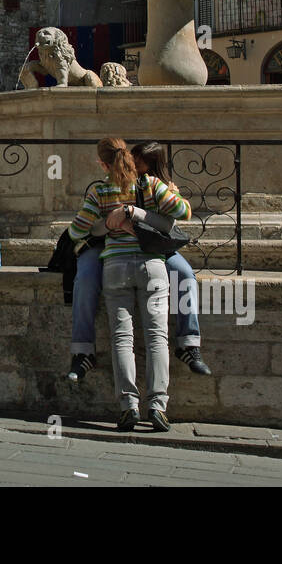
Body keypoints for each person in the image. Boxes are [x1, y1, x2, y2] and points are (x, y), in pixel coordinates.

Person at [68, 137, 191, 432]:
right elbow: (183, 212)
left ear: (102, 163)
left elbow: (75, 231)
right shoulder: (149, 184)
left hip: (115, 267)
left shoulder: (99, 191)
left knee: (122, 338)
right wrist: (172, 193)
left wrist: (107, 224)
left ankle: (129, 407)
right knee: (156, 337)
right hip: (152, 266)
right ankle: (158, 407)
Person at [131, 141, 212, 376]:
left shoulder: (159, 186)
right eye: (133, 158)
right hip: (129, 247)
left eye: (139, 160)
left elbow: (184, 212)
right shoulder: (126, 183)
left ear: (152, 163)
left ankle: (189, 345)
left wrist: (173, 194)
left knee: (185, 275)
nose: (134, 164)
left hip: (159, 248)